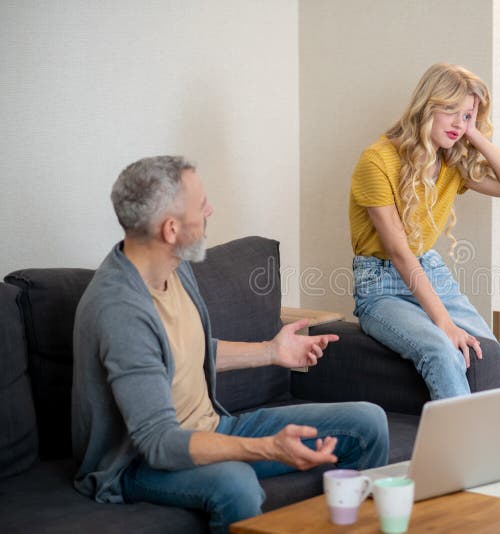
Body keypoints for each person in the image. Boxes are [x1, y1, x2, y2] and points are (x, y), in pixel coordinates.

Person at [72, 156, 389, 534]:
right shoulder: (120, 310)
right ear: (171, 229)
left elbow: (185, 352)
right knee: (234, 484)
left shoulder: (175, 265)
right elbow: (158, 443)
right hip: (139, 464)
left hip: (213, 427)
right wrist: (269, 447)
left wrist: (271, 352)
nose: (210, 210)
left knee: (369, 422)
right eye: (200, 204)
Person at [349, 63, 500, 448]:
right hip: (380, 285)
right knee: (441, 350)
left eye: (467, 115)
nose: (458, 123)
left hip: (431, 271)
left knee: (496, 363)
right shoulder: (376, 161)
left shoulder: (453, 160)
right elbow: (399, 253)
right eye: (452, 111)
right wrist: (444, 323)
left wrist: (476, 136)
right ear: (427, 105)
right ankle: (462, 469)